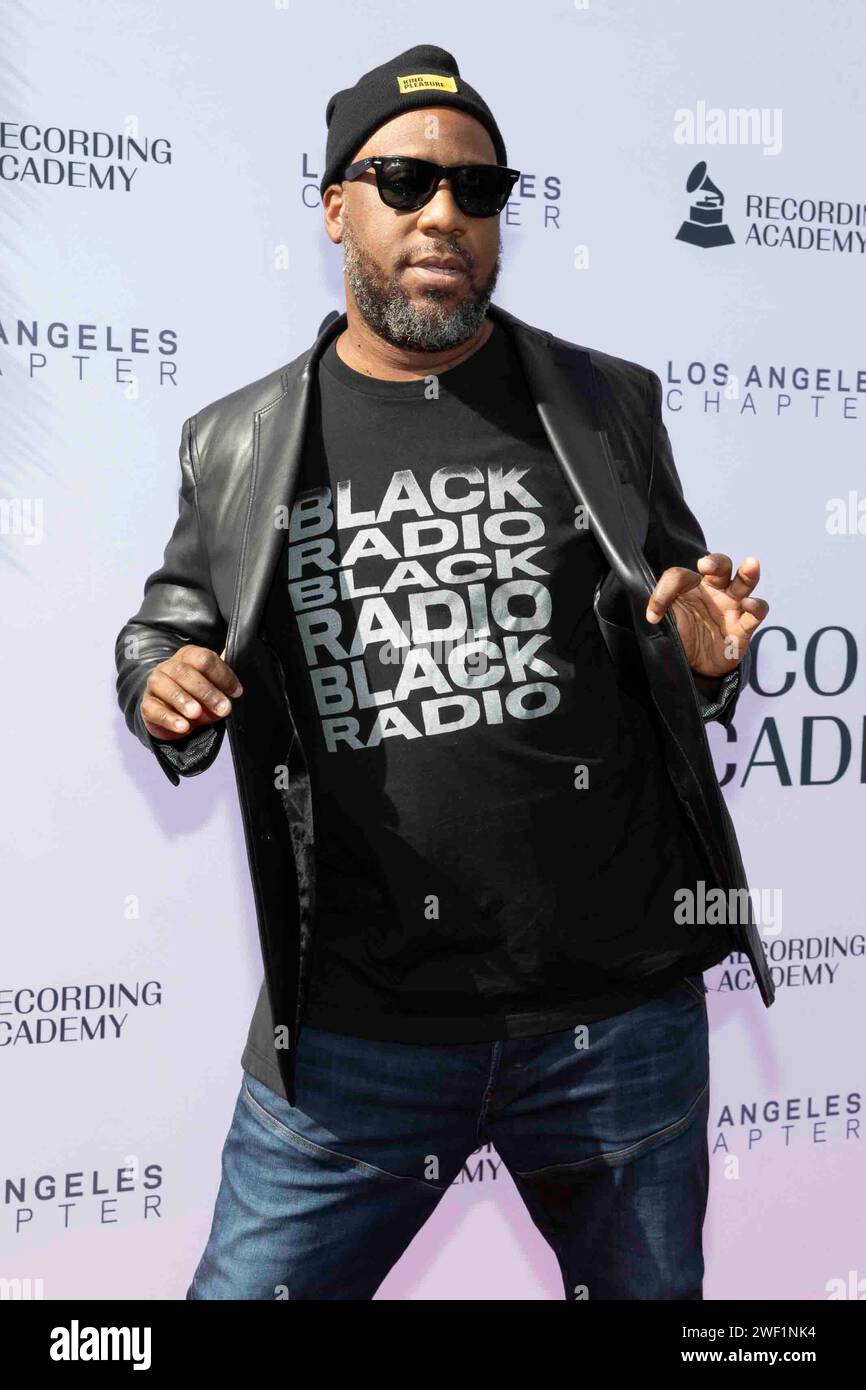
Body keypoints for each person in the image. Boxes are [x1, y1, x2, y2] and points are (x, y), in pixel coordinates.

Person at [114, 44, 774, 1300]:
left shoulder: (602, 403)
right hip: (360, 1034)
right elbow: (167, 627)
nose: (442, 217)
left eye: (476, 192)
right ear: (331, 205)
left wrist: (700, 663)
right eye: (403, 181)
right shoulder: (240, 437)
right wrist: (161, 681)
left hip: (616, 1027)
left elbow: (688, 615)